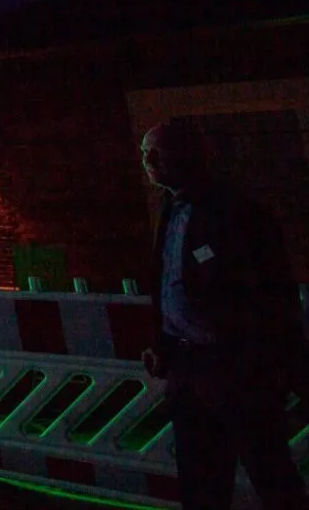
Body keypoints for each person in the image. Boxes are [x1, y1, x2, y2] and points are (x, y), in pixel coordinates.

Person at [139, 117, 307, 510]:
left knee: (269, 471)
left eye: (156, 152)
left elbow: (271, 296)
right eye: (145, 153)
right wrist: (165, 344)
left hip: (236, 373)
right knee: (202, 481)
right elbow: (172, 284)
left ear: (186, 154)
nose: (148, 162)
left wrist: (260, 363)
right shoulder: (170, 210)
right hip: (189, 370)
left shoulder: (236, 213)